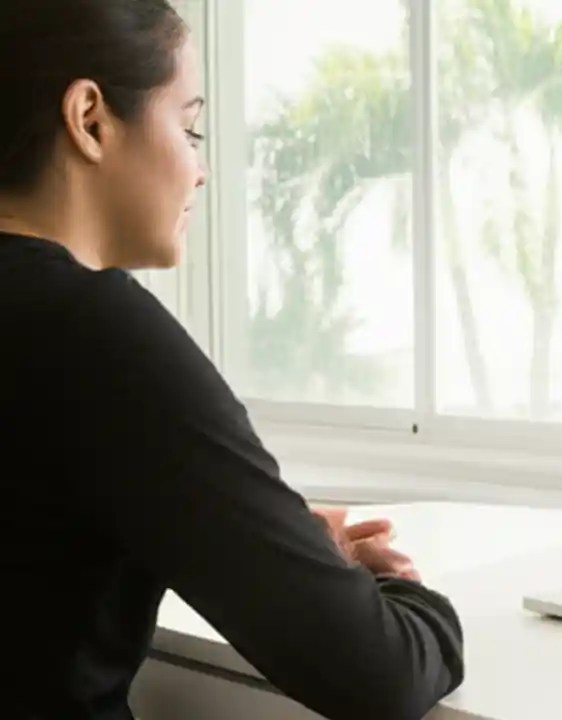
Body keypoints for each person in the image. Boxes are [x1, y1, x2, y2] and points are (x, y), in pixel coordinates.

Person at [0, 2, 463, 719]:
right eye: (189, 127)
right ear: (90, 119)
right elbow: (380, 674)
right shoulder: (91, 330)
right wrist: (411, 595)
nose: (201, 170)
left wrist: (260, 529)